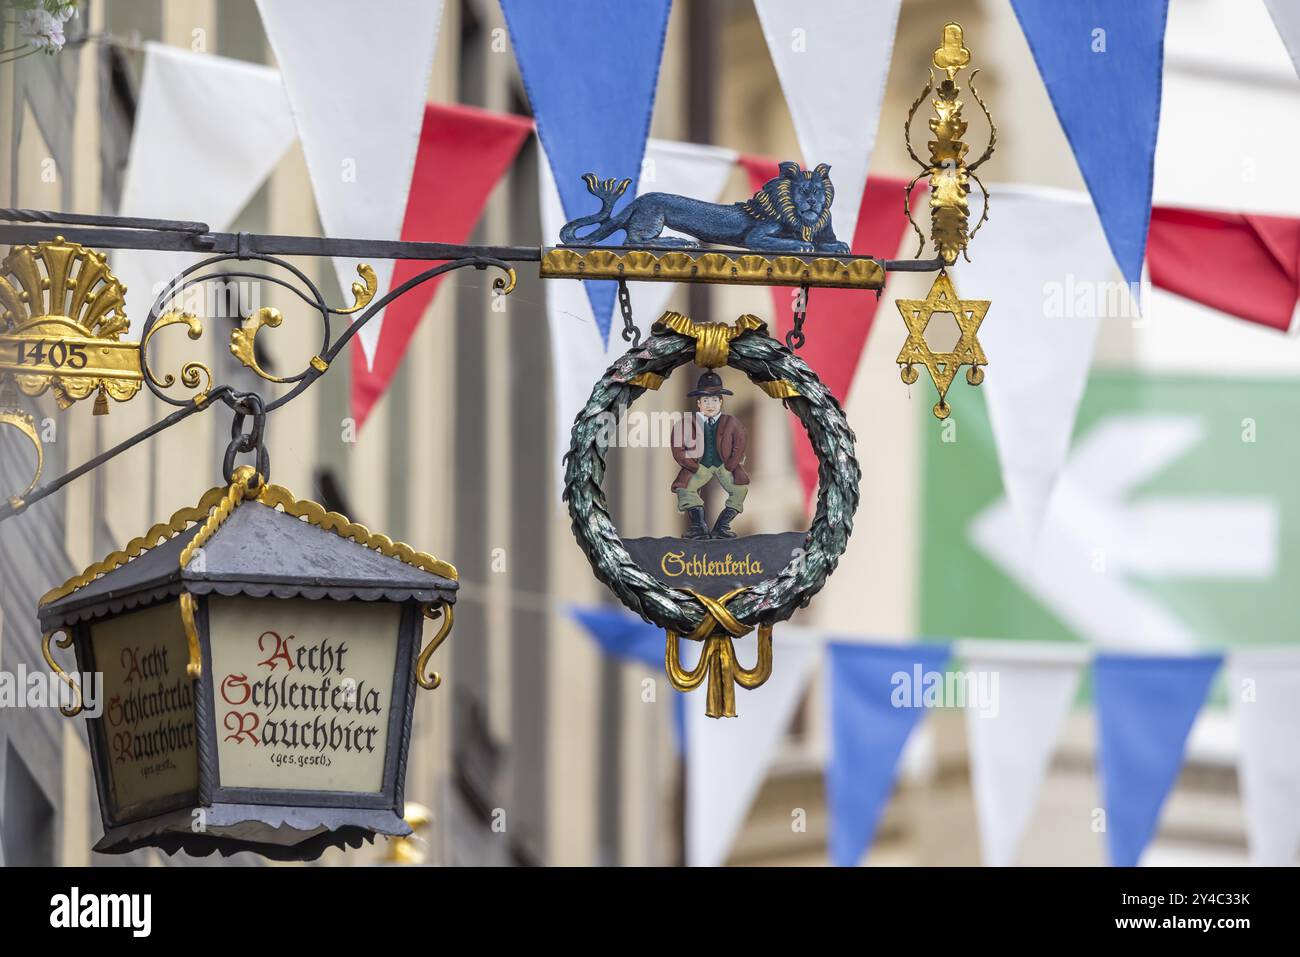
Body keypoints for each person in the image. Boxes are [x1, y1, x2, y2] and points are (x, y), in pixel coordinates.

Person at [671, 370, 749, 539]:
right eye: (705, 400)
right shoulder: (686, 424)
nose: (710, 404)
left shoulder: (732, 423)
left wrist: (731, 464)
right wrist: (692, 465)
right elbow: (678, 449)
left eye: (714, 400)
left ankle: (722, 526)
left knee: (739, 490)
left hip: (723, 465)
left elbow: (740, 443)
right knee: (685, 490)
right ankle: (699, 527)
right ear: (699, 403)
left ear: (721, 402)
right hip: (700, 466)